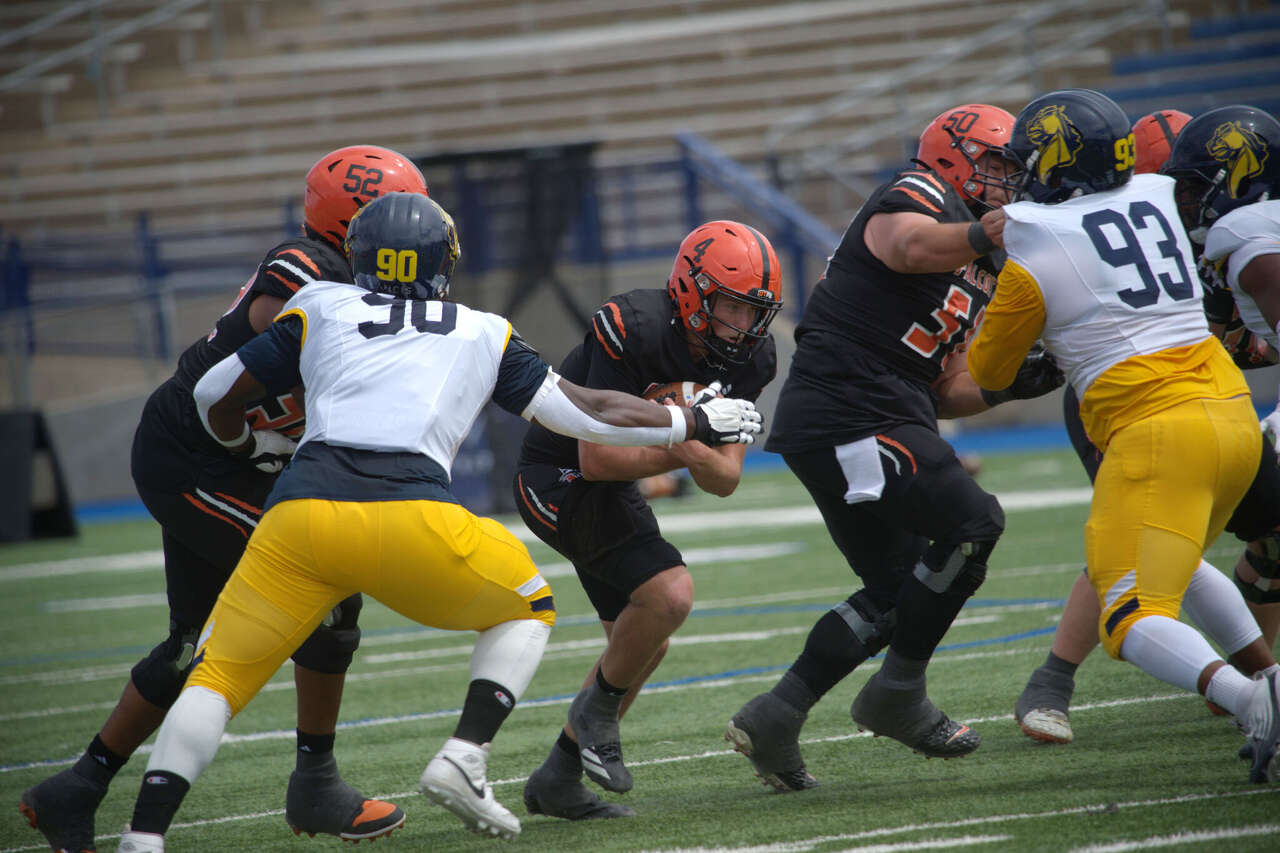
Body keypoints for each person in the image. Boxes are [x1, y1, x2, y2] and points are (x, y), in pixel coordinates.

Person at [111, 192, 763, 852]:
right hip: (408, 512)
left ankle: (144, 833)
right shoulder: (478, 327)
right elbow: (583, 413)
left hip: (298, 516)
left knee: (215, 678)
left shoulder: (318, 305)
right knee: (527, 606)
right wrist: (694, 421)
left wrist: (247, 448)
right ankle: (464, 754)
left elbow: (211, 393)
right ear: (444, 263)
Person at [20, 145, 430, 851]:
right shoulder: (307, 274)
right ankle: (315, 782)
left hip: (229, 457)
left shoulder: (365, 285)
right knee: (327, 588)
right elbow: (276, 346)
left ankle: (76, 788)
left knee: (189, 639)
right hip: (202, 454)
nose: (415, 228)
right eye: (399, 215)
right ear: (355, 224)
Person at [723, 104, 1065, 792]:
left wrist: (1027, 376)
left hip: (868, 414)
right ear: (951, 154)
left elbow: (949, 386)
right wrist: (982, 231)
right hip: (852, 409)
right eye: (996, 163)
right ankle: (899, 692)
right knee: (973, 524)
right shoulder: (917, 195)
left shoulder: (980, 256)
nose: (1005, 181)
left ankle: (776, 714)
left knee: (896, 591)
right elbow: (909, 246)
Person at [966, 88, 1280, 784]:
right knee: (1188, 559)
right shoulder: (1159, 193)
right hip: (1232, 410)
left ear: (1051, 161)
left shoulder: (1028, 244)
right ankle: (1269, 677)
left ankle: (1255, 697)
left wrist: (1006, 288)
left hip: (1156, 431)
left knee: (1130, 611)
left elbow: (989, 368)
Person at [513, 220, 783, 819]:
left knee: (642, 643)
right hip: (554, 476)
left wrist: (687, 435)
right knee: (668, 596)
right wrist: (688, 428)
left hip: (612, 484)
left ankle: (557, 778)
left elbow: (725, 478)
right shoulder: (633, 326)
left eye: (754, 313)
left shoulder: (752, 357)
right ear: (692, 292)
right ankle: (594, 716)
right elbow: (597, 457)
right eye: (731, 308)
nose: (743, 327)